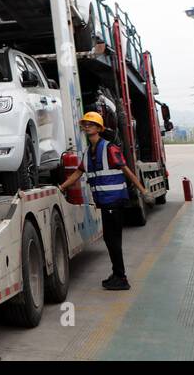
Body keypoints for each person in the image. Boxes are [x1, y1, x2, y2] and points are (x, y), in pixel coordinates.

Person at [57, 110, 146, 290]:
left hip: (114, 201)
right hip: (106, 202)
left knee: (113, 240)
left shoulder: (109, 148)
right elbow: (78, 173)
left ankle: (121, 278)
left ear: (99, 128)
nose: (87, 126)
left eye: (91, 124)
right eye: (85, 124)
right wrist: (62, 187)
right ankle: (117, 274)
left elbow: (126, 170)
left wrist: (143, 191)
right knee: (109, 238)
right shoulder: (88, 152)